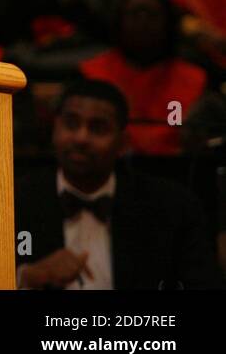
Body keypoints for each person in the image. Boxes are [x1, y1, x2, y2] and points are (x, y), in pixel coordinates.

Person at [14, 79, 221, 289]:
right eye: (71, 124)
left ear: (122, 142)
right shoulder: (17, 199)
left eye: (98, 128)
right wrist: (27, 277)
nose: (81, 138)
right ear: (54, 129)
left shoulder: (172, 206)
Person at [80, 0, 207, 156]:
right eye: (135, 14)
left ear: (168, 23)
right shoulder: (91, 74)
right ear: (119, 21)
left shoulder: (195, 78)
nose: (143, 23)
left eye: (152, 15)